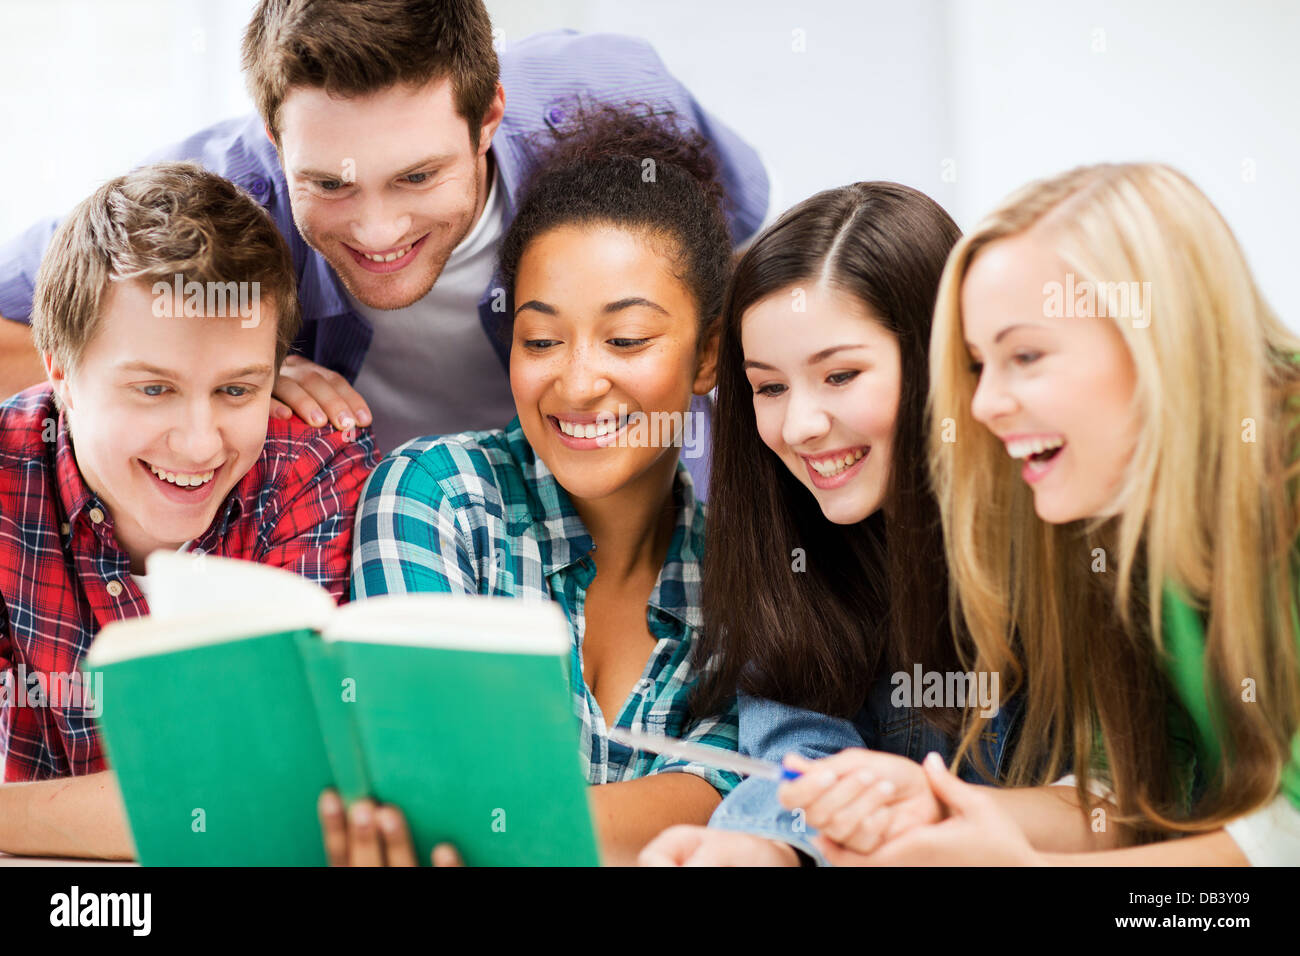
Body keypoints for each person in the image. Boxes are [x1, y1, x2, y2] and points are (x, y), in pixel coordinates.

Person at [0, 0, 771, 491]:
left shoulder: (613, 93)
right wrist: (224, 371)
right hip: (372, 560)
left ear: (489, 115)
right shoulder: (218, 200)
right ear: (274, 138)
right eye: (331, 186)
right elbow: (18, 336)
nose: (376, 233)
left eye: (417, 176)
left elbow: (732, 264)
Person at [794, 163, 1300, 865]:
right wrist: (939, 810)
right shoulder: (1109, 512)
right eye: (977, 365)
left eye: (1025, 355)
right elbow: (1138, 792)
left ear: (1159, 338)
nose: (983, 405)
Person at [328, 106, 739, 867]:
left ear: (708, 354)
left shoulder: (741, 576)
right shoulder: (433, 496)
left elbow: (726, 800)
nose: (578, 383)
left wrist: (501, 828)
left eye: (626, 340)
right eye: (540, 340)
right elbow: (430, 802)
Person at [0, 161, 377, 860]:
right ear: (60, 371)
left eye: (237, 390)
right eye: (153, 390)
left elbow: (250, 796)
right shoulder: (8, 472)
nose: (200, 442)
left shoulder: (312, 481)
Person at [639, 183, 1020, 867]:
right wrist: (761, 851)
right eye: (770, 387)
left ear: (942, 358)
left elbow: (1122, 798)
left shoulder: (1061, 536)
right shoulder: (795, 558)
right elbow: (797, 759)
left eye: (840, 375)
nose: (800, 426)